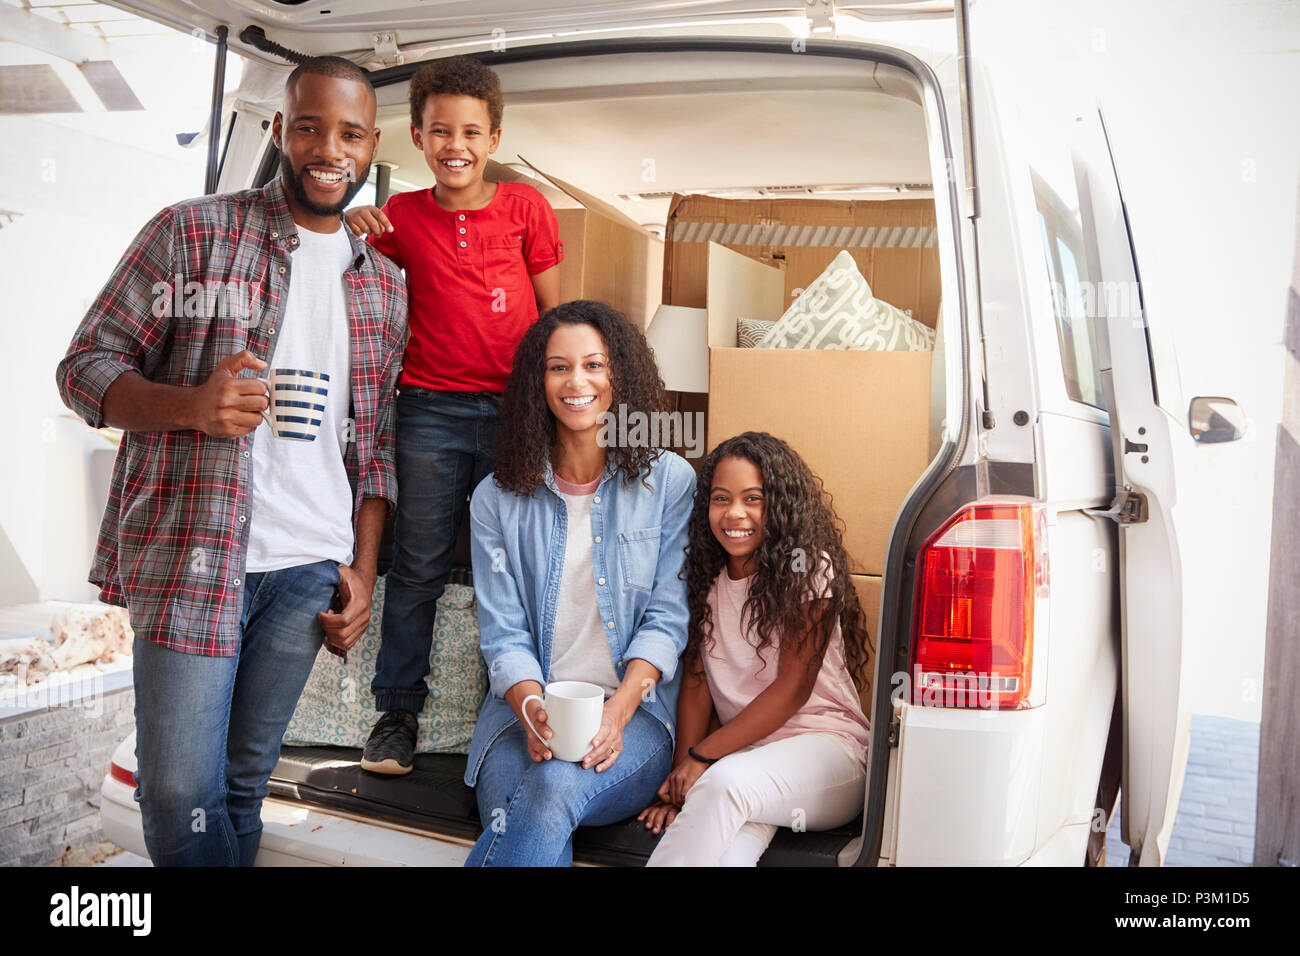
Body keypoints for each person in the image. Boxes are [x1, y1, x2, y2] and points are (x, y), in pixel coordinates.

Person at [54, 57, 407, 866]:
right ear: (280, 130)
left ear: (372, 144)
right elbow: (84, 367)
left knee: (245, 787)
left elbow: (373, 447)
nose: (328, 148)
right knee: (179, 792)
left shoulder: (384, 285)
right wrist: (190, 406)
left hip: (308, 570)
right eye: (309, 125)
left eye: (349, 133)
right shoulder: (192, 231)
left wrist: (361, 567)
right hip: (196, 557)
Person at [343, 56, 563, 775]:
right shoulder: (400, 217)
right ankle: (396, 715)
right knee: (418, 567)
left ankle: (536, 704)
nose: (455, 145)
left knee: (531, 560)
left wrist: (558, 406)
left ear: (494, 137)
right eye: (440, 131)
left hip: (516, 412)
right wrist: (350, 220)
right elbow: (339, 261)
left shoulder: (527, 207)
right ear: (417, 137)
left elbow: (555, 316)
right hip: (429, 411)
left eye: (471, 131)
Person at [463, 300, 695, 866]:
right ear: (536, 382)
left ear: (620, 374)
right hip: (523, 715)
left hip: (635, 718)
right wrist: (530, 707)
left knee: (549, 794)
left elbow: (668, 618)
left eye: (594, 365)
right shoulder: (495, 498)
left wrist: (615, 714)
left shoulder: (670, 482)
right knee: (539, 810)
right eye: (558, 366)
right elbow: (502, 633)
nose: (577, 382)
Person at [639, 431, 873, 866]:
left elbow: (793, 689)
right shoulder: (704, 579)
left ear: (780, 506)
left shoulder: (808, 567)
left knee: (723, 784)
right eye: (721, 498)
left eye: (753, 499)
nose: (735, 513)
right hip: (748, 762)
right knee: (726, 852)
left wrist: (701, 758)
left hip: (828, 754)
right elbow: (696, 686)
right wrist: (678, 785)